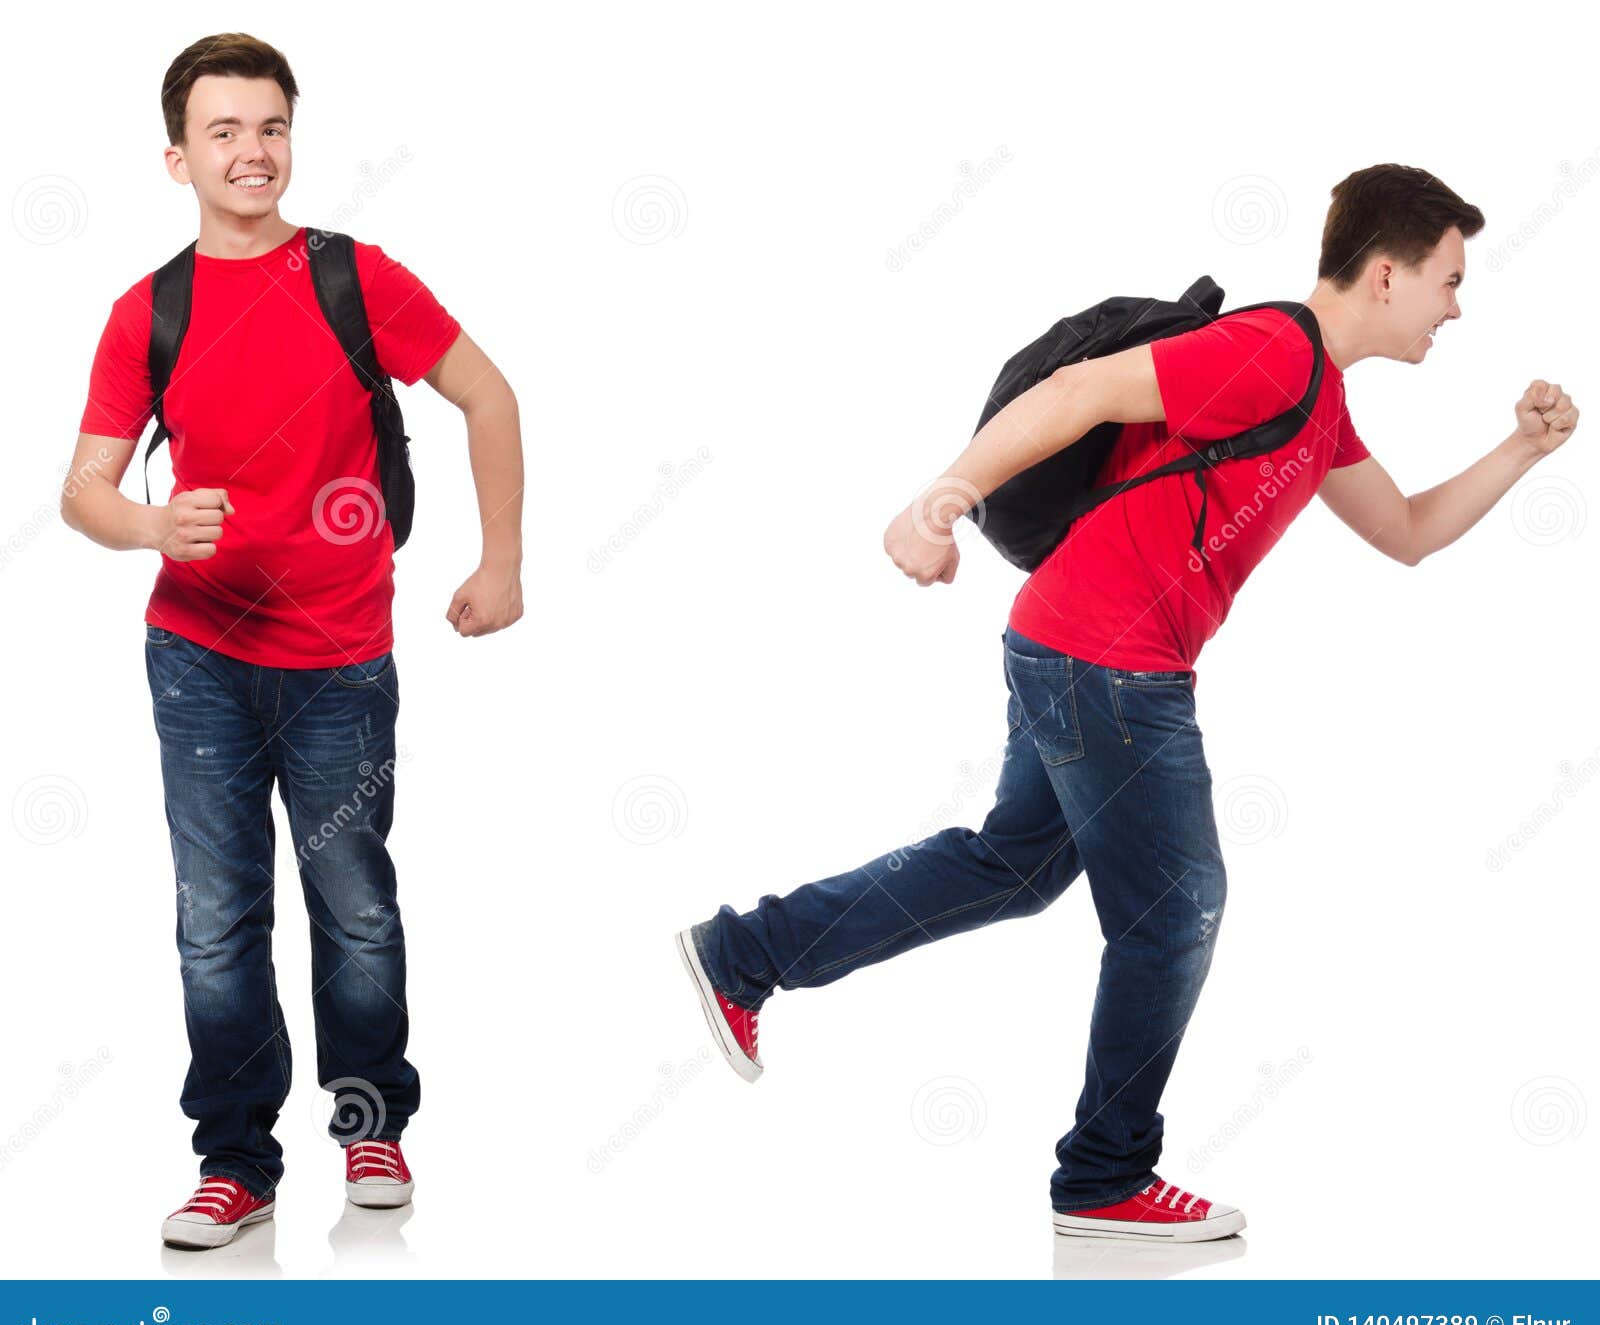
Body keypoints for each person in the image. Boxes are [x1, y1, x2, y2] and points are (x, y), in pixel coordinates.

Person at [678, 164, 1578, 1242]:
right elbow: (1079, 392)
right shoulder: (1267, 351)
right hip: (1109, 662)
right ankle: (1105, 1173)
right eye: (1447, 278)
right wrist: (938, 503)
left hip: (1074, 647)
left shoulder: (1317, 395)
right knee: (1177, 904)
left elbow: (1406, 532)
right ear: (1385, 274)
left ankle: (744, 951)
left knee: (1012, 866)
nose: (1456, 306)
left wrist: (1526, 446)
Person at [61, 33, 525, 1250]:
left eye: (269, 127)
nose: (250, 150)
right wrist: (154, 521)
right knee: (216, 916)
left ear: (290, 139)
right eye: (223, 131)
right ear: (178, 157)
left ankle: (372, 1125)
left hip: (337, 661)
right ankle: (234, 1163)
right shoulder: (147, 311)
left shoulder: (356, 278)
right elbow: (83, 493)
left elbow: (489, 395)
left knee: (354, 899)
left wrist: (501, 562)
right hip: (197, 660)